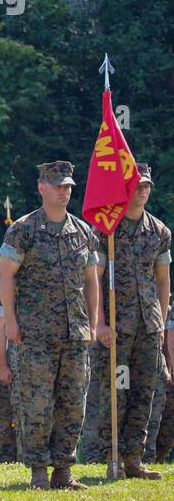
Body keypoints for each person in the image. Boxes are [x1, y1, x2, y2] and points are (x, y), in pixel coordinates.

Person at [0, 161, 100, 490]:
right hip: (35, 334)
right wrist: (11, 321)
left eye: (68, 185)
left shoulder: (83, 232)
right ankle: (38, 471)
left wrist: (94, 322)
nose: (65, 191)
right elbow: (6, 276)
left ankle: (64, 470)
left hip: (74, 333)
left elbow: (91, 280)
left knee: (73, 403)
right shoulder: (24, 229)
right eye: (58, 185)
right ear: (41, 187)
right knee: (36, 403)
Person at [90, 162, 168, 478]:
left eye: (146, 185)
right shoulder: (106, 230)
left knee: (144, 390)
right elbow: (93, 277)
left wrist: (160, 321)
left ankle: (134, 459)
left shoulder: (160, 231)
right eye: (136, 185)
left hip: (147, 328)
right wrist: (99, 322)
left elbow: (163, 280)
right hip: (116, 329)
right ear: (125, 188)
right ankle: (112, 457)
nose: (142, 191)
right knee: (116, 390)